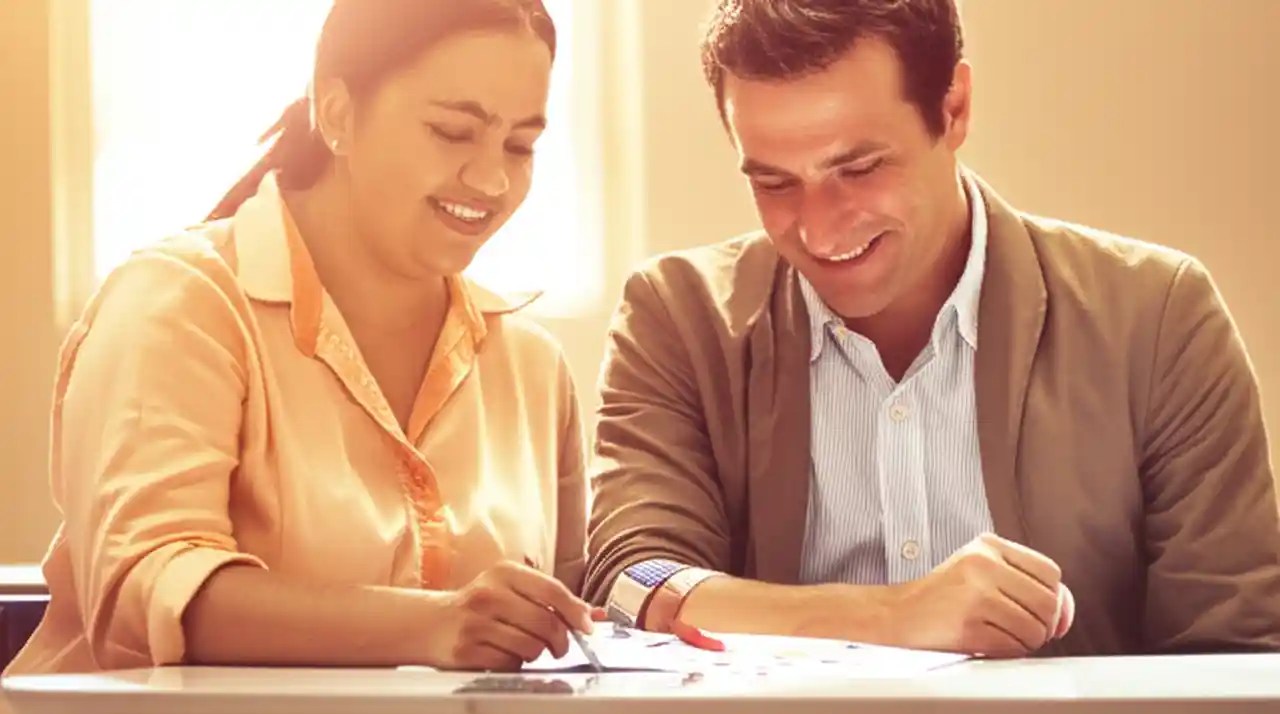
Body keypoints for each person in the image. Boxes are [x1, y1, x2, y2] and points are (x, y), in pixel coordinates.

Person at [584, 0, 1280, 657]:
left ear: (954, 109)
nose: (819, 228)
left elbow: (1233, 652)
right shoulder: (676, 315)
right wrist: (895, 616)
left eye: (858, 168)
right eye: (774, 183)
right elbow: (629, 584)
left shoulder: (1158, 318)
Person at [5, 0, 593, 676]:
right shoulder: (179, 304)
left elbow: (565, 623)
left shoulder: (531, 365)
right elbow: (151, 591)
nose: (493, 179)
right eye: (453, 131)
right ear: (337, 114)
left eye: (520, 146)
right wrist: (434, 625)